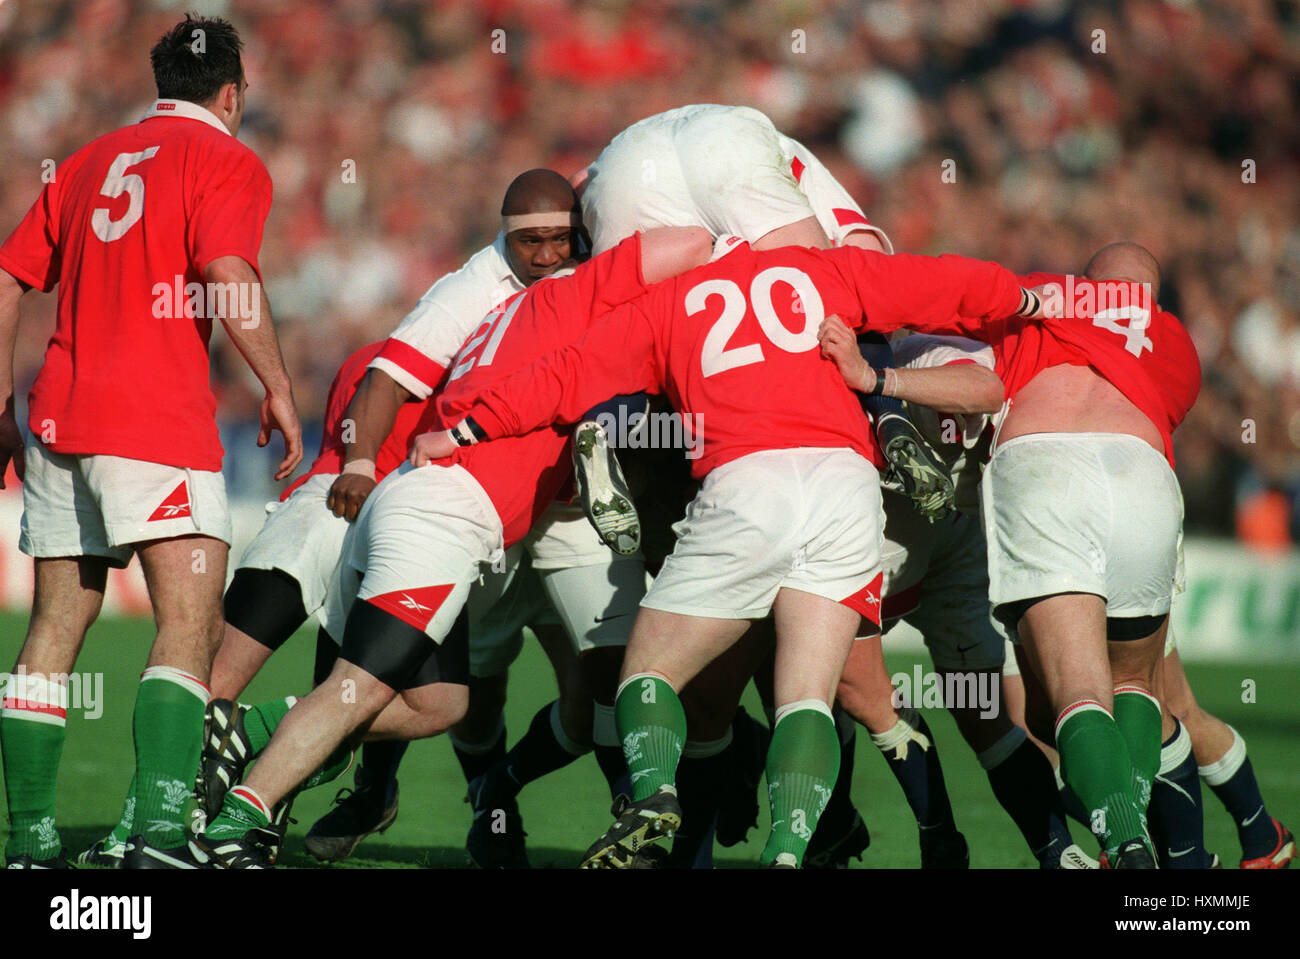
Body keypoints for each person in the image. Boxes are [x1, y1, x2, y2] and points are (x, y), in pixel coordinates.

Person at [430, 238, 1042, 866]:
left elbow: (567, 372)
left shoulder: (667, 301)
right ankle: (786, 852)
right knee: (806, 695)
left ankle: (653, 794)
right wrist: (1018, 294)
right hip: (848, 486)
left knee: (648, 673)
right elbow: (940, 281)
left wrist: (468, 426)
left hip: (747, 483)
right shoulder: (820, 265)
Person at [189, 226, 714, 868]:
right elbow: (689, 243)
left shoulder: (516, 314)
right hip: (443, 516)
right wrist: (743, 252)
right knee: (357, 688)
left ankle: (259, 731)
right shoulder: (576, 304)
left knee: (439, 703)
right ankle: (240, 821)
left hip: (419, 504)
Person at [0, 15, 301, 869]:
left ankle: (29, 842)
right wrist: (278, 387)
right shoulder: (228, 160)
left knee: (55, 625)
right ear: (233, 93)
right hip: (154, 422)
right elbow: (230, 273)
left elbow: (8, 275)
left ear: (163, 83)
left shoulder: (92, 160)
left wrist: (0, 407)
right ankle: (163, 837)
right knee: (190, 622)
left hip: (60, 419)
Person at [833, 242, 1199, 869]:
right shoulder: (1179, 345)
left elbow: (958, 308)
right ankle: (1170, 855)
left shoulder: (1050, 294)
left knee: (1072, 695)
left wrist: (874, 365)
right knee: (1137, 685)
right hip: (1144, 469)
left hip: (1040, 465)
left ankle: (1127, 846)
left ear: (1086, 278)